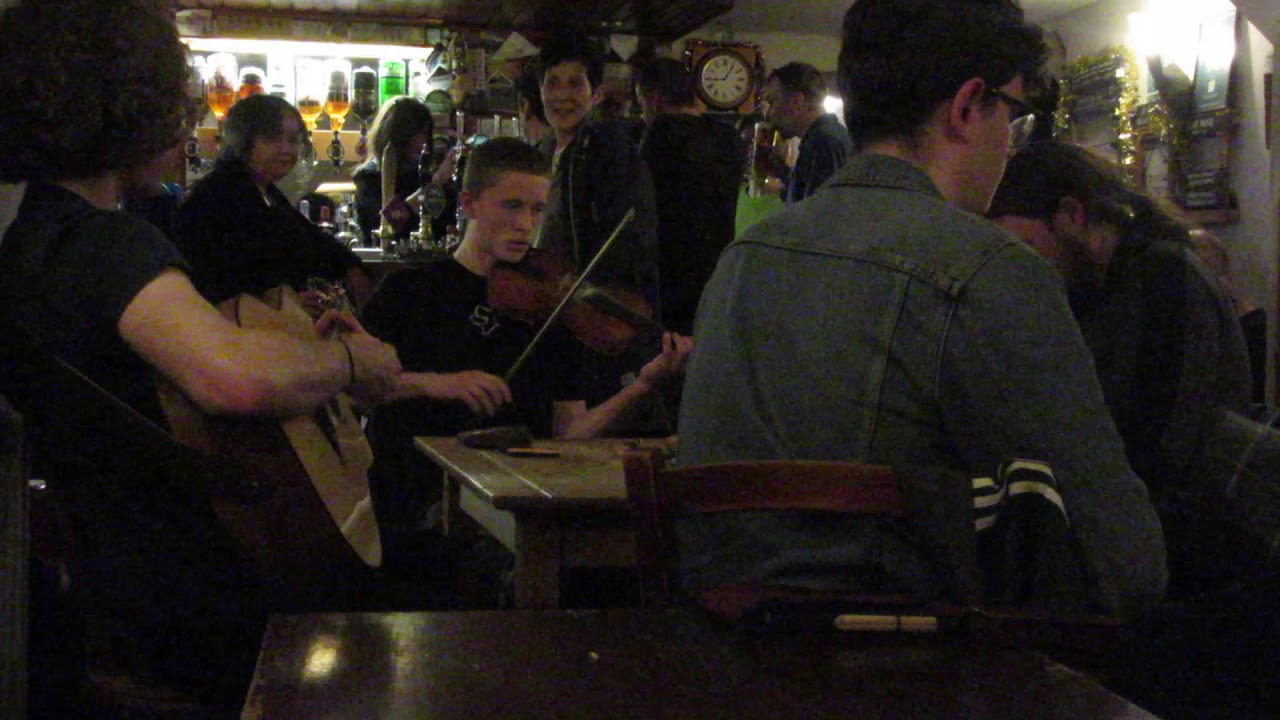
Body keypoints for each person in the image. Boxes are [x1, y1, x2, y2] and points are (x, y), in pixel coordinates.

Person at [677, 0, 1166, 617]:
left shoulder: (743, 258)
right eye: (1012, 116)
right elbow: (1121, 556)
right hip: (904, 671)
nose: (1009, 145)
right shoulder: (986, 269)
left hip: (714, 659)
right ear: (967, 107)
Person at [0, 0, 402, 712]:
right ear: (127, 104)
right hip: (197, 598)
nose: (186, 121)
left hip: (114, 592)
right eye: (174, 101)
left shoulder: (33, 237)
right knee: (407, 570)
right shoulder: (103, 243)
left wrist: (289, 340)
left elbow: (185, 344)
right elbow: (230, 378)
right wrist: (351, 365)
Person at [358, 137, 690, 561]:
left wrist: (643, 386)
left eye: (536, 210)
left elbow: (569, 432)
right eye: (512, 206)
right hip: (417, 500)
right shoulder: (409, 291)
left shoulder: (550, 308)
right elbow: (358, 390)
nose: (525, 224)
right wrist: (438, 384)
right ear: (470, 203)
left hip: (515, 505)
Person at [987, 141, 1255, 593]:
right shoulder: (1117, 281)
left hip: (1191, 557)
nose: (1022, 269)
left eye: (1025, 246)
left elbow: (1153, 443)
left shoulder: (1161, 276)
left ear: (1073, 214)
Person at [533, 33, 667, 431]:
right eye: (552, 83)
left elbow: (630, 242)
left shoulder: (607, 149)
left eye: (576, 84)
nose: (562, 95)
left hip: (594, 313)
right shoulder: (542, 154)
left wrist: (586, 294)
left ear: (595, 94)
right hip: (557, 308)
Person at [174, 93, 372, 307]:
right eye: (273, 138)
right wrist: (288, 301)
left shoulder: (266, 193)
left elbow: (316, 243)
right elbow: (230, 280)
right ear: (242, 139)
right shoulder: (221, 195)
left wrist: (350, 267)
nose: (286, 149)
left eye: (294, 140)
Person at [636, 57, 742, 335]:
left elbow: (645, 209)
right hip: (718, 268)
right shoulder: (728, 137)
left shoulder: (659, 135)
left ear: (653, 99)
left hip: (669, 274)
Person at [351, 96, 456, 249]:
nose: (422, 142)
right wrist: (435, 183)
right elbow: (387, 225)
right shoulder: (370, 178)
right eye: (414, 134)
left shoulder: (423, 175)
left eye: (425, 134)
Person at [759, 62, 854, 204]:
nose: (767, 115)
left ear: (797, 101)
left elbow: (816, 215)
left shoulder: (824, 143)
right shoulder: (823, 138)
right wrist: (781, 171)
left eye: (772, 102)